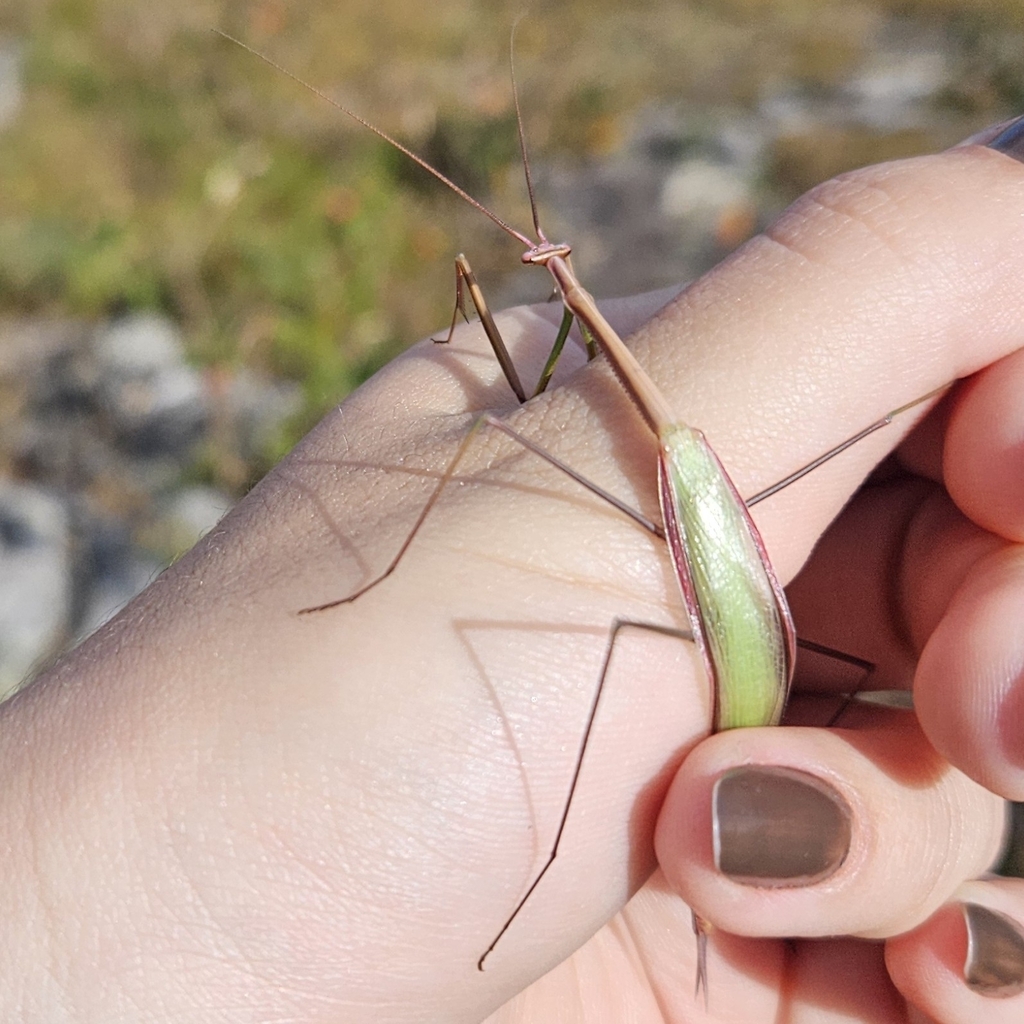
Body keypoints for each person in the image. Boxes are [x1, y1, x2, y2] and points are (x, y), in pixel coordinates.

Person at [2, 120, 1024, 1024]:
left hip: (726, 601)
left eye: (551, 260)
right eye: (545, 260)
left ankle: (607, 869)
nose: (546, 262)